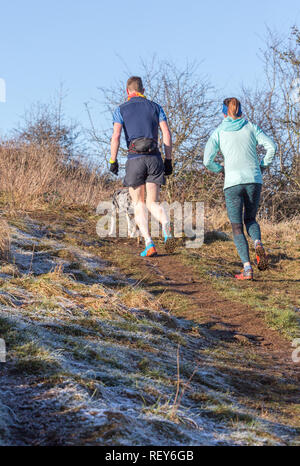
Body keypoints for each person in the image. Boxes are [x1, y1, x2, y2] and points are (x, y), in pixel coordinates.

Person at [204, 97, 277, 280]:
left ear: (223, 113)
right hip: (254, 179)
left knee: (237, 227)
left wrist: (220, 169)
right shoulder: (251, 126)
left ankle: (247, 268)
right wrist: (263, 165)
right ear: (241, 111)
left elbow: (207, 161)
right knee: (251, 219)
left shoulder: (219, 132)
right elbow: (272, 147)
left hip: (232, 183)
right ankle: (258, 242)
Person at [110, 76, 175, 257]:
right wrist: (168, 160)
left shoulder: (120, 110)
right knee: (152, 203)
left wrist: (112, 160)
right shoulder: (156, 107)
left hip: (135, 159)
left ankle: (149, 243)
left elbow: (115, 136)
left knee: (139, 203)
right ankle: (167, 229)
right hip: (154, 158)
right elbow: (166, 134)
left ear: (127, 91)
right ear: (143, 90)